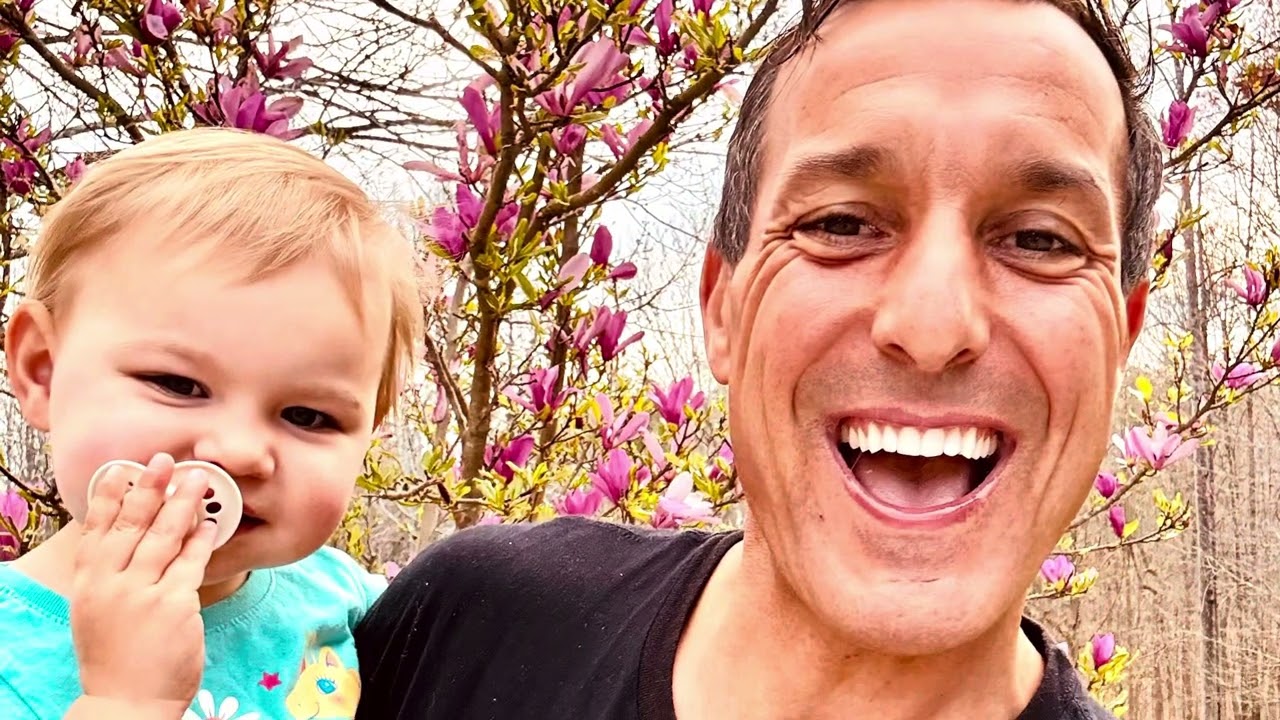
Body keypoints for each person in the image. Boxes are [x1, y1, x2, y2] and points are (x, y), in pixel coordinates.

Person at [353, 0, 1163, 717]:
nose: (932, 326)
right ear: (724, 309)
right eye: (841, 225)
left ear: (1120, 338)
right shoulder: (469, 629)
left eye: (1040, 240)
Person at [0, 128, 423, 720]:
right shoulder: (12, 650)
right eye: (177, 385)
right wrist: (125, 701)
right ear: (43, 372)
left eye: (308, 416)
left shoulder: (342, 598)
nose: (240, 451)